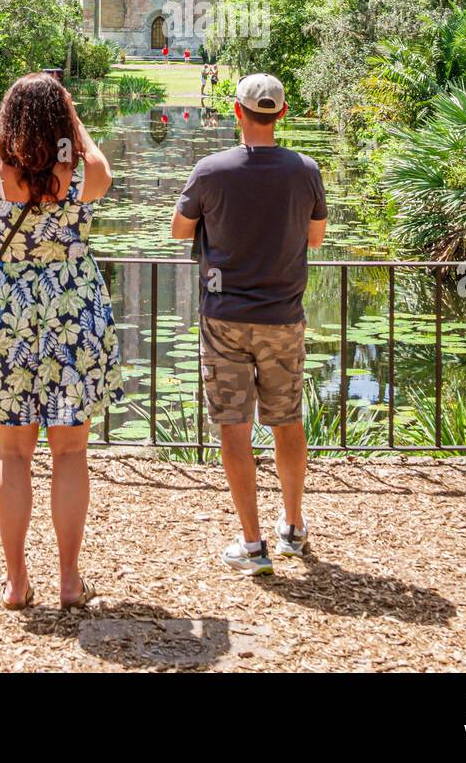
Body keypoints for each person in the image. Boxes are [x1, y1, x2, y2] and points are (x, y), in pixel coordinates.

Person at [0, 72, 123, 610]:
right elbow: (100, 169)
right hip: (72, 317)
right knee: (71, 451)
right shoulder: (83, 173)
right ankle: (68, 579)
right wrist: (73, 124)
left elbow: (5, 168)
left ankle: (15, 582)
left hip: (10, 318)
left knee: (12, 455)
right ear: (63, 123)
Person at [171, 73, 327, 575]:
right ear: (281, 115)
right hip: (283, 316)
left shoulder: (211, 170)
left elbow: (179, 230)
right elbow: (317, 239)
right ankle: (295, 527)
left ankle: (253, 544)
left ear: (236, 113)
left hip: (225, 319)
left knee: (234, 430)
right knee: (287, 421)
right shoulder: (305, 170)